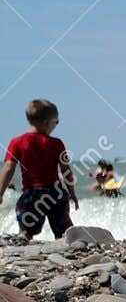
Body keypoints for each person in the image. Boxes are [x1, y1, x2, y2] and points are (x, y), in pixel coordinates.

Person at [0, 98, 77, 242]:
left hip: (32, 193)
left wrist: (0, 192)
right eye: (56, 122)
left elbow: (8, 168)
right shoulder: (57, 143)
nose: (56, 125)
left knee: (27, 223)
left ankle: (25, 234)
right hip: (56, 193)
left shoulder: (16, 142)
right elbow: (66, 171)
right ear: (47, 123)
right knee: (62, 229)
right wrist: (72, 193)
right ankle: (65, 240)